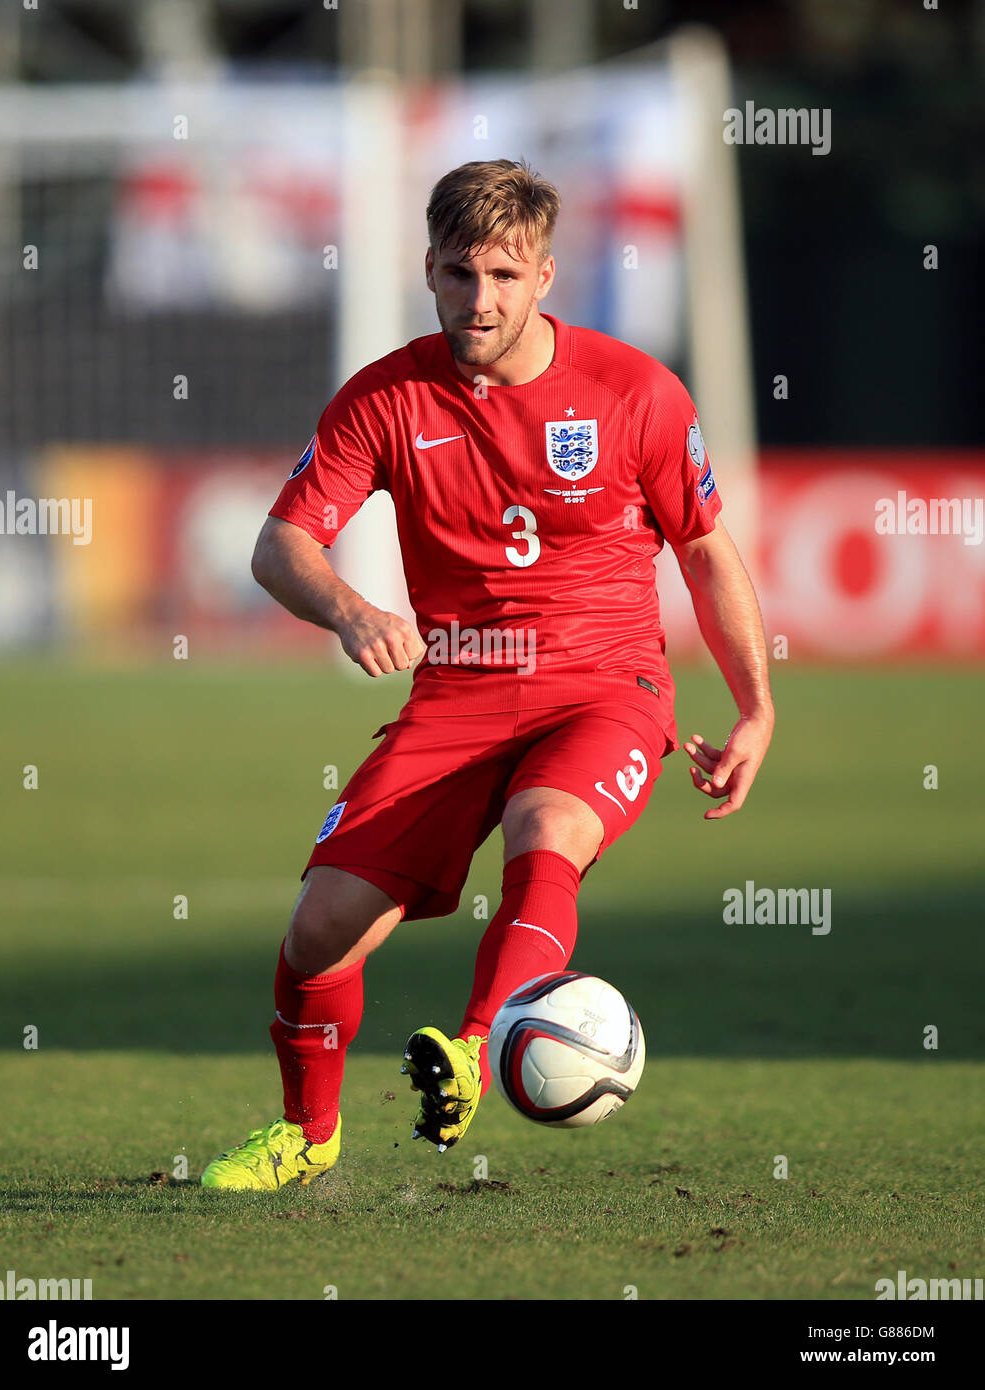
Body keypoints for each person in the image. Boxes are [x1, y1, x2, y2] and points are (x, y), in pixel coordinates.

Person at [201, 159, 774, 1191]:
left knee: (546, 828)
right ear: (428, 270)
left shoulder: (633, 392)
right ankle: (305, 1135)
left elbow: (701, 549)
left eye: (504, 276)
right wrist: (350, 609)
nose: (481, 299)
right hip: (458, 693)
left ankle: (473, 1051)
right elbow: (280, 545)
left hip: (607, 687)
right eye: (460, 274)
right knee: (321, 926)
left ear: (545, 275)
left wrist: (753, 707)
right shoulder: (386, 397)